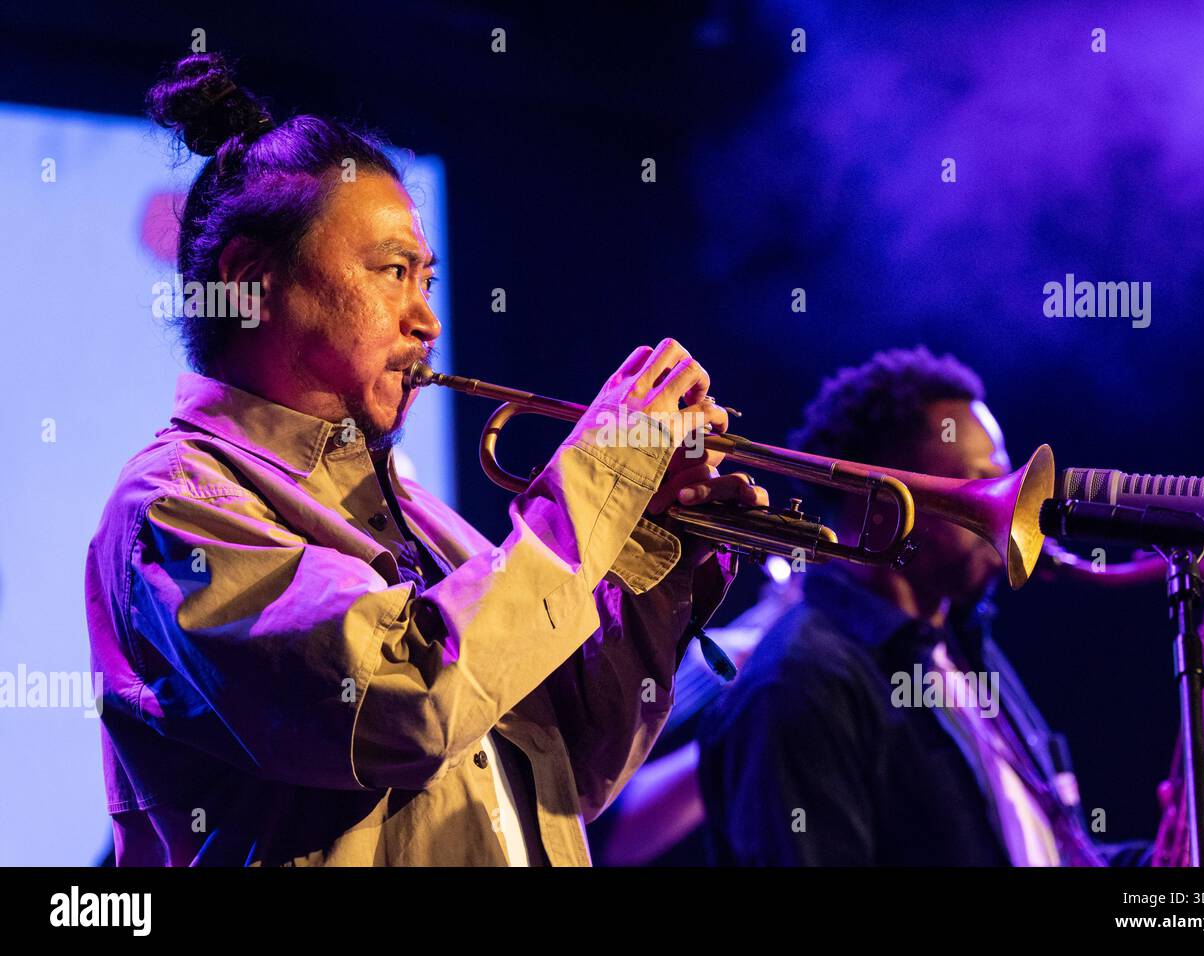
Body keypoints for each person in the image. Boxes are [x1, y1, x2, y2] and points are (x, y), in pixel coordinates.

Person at [85, 53, 767, 866]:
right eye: (393, 272)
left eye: (428, 278)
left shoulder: (413, 515)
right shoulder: (172, 505)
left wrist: (652, 546)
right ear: (250, 281)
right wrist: (597, 482)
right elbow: (402, 704)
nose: (427, 321)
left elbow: (569, 765)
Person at [695, 346, 1204, 866]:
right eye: (984, 483)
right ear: (886, 504)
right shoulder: (800, 685)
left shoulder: (957, 640)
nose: (1017, 514)